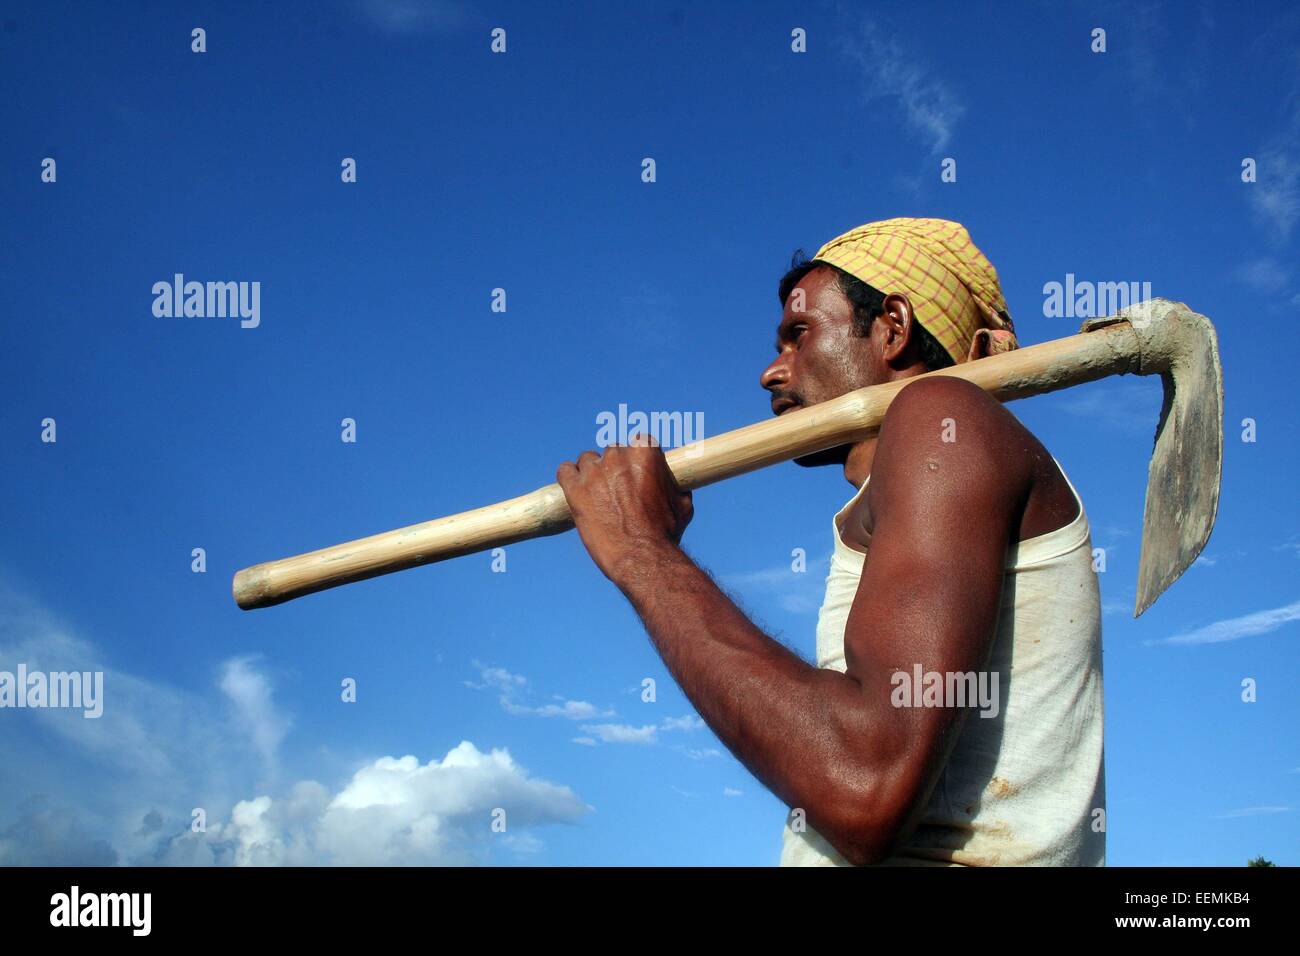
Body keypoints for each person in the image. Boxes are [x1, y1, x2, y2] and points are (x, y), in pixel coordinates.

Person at [555, 218, 1105, 866]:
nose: (770, 371)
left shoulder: (944, 419)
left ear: (893, 329)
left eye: (799, 334)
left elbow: (865, 783)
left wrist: (643, 552)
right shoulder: (905, 484)